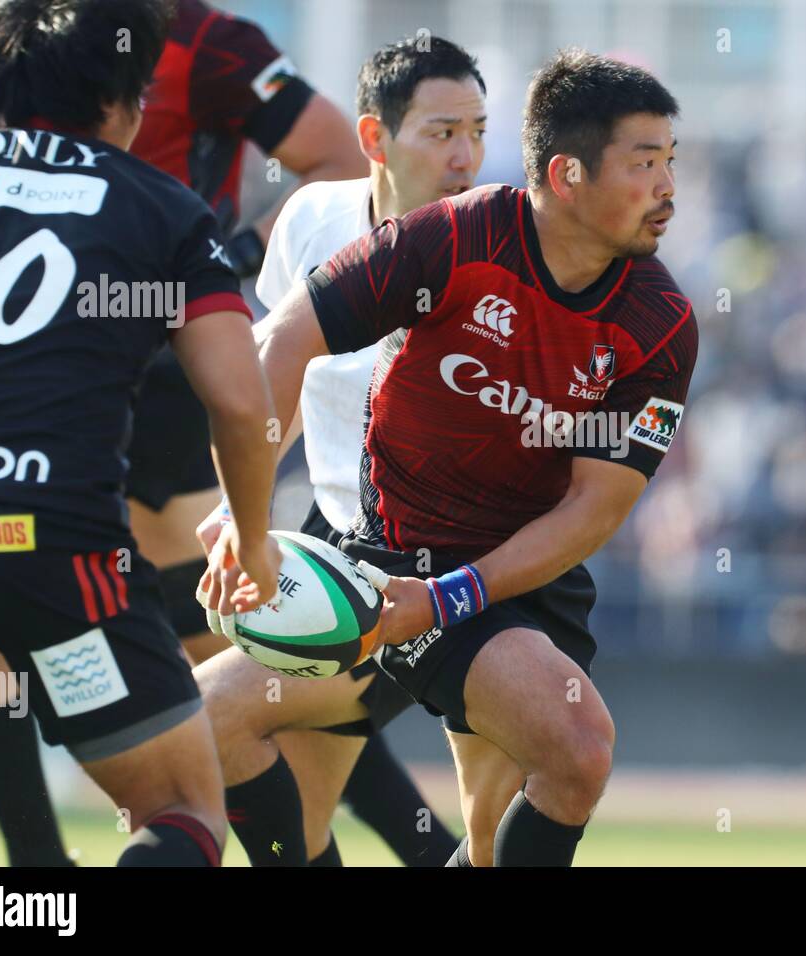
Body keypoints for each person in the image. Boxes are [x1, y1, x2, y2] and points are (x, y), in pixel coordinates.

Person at [203, 48, 696, 866]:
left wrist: (452, 596)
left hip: (519, 581)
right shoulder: (449, 238)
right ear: (568, 174)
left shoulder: (661, 323)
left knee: (548, 781)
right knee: (205, 729)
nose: (668, 188)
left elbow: (595, 508)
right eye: (646, 165)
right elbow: (279, 348)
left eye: (671, 163)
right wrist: (244, 524)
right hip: (387, 560)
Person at [0, 0, 364, 867]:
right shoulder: (162, 207)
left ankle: (31, 892)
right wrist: (252, 542)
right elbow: (242, 404)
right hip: (55, 547)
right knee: (181, 807)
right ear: (121, 99)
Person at [197, 35, 487, 867]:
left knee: (210, 720)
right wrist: (233, 508)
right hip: (339, 546)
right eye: (442, 132)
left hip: (438, 569)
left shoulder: (504, 251)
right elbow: (280, 387)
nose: (466, 154)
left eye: (478, 129)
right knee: (304, 819)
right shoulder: (313, 218)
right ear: (373, 139)